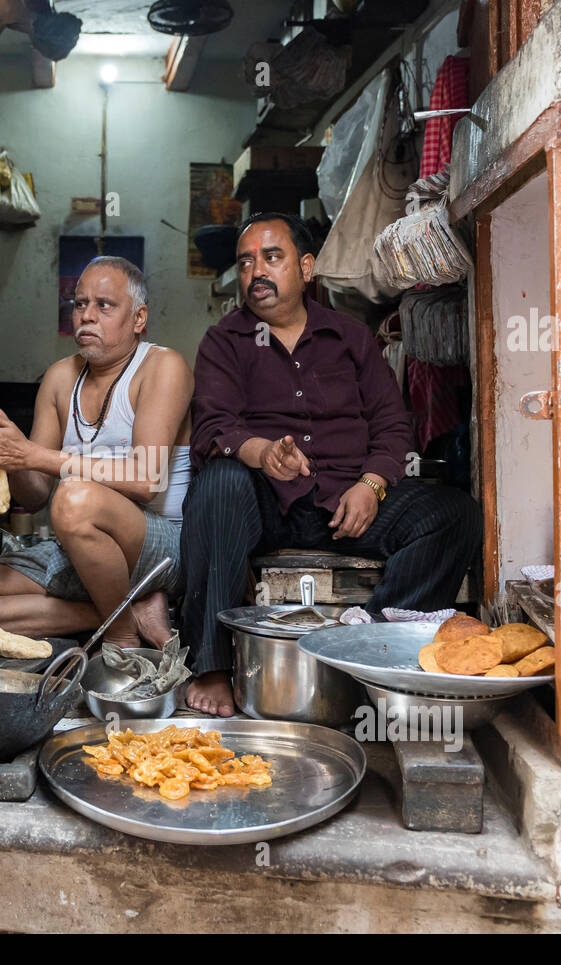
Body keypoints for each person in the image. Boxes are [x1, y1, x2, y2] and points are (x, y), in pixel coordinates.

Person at [181, 213, 482, 716]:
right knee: (218, 483)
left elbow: (393, 424)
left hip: (348, 504)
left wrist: (371, 484)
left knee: (456, 514)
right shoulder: (224, 342)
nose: (257, 271)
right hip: (264, 505)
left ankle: (371, 642)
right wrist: (262, 453)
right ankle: (213, 664)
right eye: (246, 261)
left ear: (305, 266)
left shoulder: (351, 338)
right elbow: (214, 428)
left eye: (272, 257)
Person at [0, 256, 192, 650]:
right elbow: (37, 495)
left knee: (74, 498)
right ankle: (128, 611)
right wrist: (14, 458)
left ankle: (121, 637)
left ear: (139, 318)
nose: (87, 316)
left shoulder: (162, 366)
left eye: (104, 306)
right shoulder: (60, 377)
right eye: (79, 304)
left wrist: (37, 456)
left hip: (160, 547)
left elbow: (147, 480)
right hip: (77, 546)